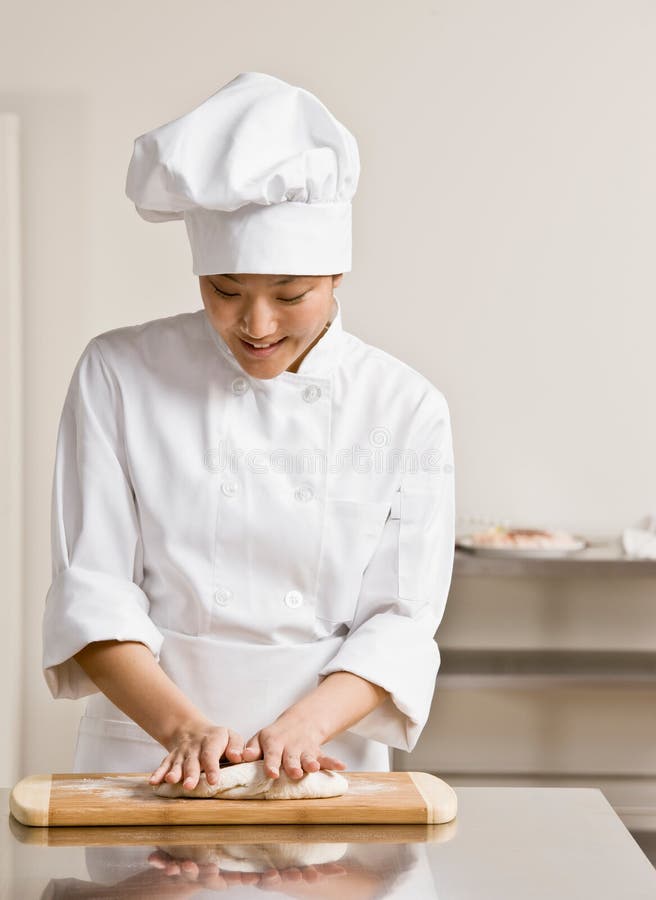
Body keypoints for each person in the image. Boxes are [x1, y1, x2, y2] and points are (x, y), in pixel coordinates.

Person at [41, 72, 455, 791]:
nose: (256, 326)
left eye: (291, 295)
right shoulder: (120, 372)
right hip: (149, 751)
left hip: (319, 758)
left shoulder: (404, 406)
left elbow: (401, 619)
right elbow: (93, 589)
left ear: (336, 275)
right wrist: (183, 728)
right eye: (225, 290)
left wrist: (307, 726)